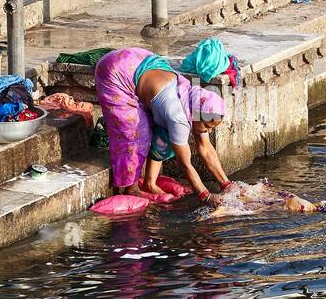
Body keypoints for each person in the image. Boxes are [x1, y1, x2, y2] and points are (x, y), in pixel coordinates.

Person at [94, 47, 230, 203]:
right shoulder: (178, 117)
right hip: (116, 70)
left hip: (137, 59)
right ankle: (131, 189)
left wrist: (227, 184)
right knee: (136, 133)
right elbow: (184, 163)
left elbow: (206, 150)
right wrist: (205, 195)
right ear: (198, 115)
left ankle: (149, 183)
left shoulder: (195, 100)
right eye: (207, 126)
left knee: (164, 136)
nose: (209, 130)